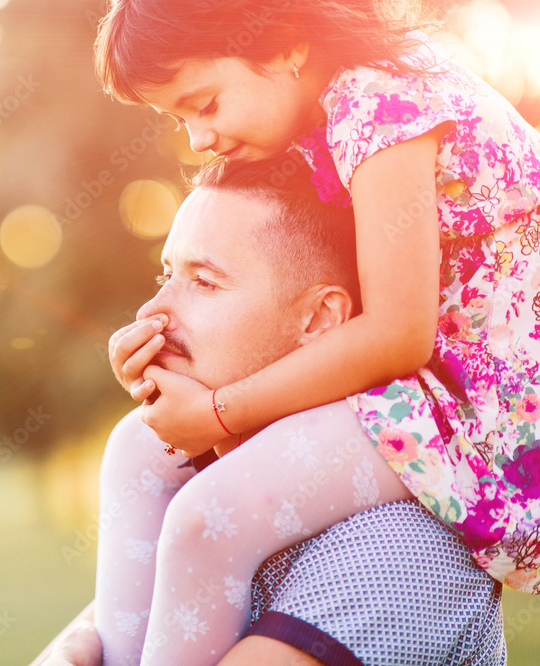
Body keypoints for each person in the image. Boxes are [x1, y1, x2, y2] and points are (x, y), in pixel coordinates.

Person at [91, 0, 540, 660]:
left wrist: (216, 412)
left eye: (205, 103)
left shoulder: (381, 102)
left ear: (283, 48)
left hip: (484, 417)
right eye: (179, 118)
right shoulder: (331, 111)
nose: (198, 138)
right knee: (142, 452)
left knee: (207, 519)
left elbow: (396, 334)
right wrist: (169, 366)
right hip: (429, 392)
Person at [33, 153, 506, 666]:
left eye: (205, 281)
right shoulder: (210, 500)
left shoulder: (401, 550)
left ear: (318, 320)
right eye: (164, 276)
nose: (154, 313)